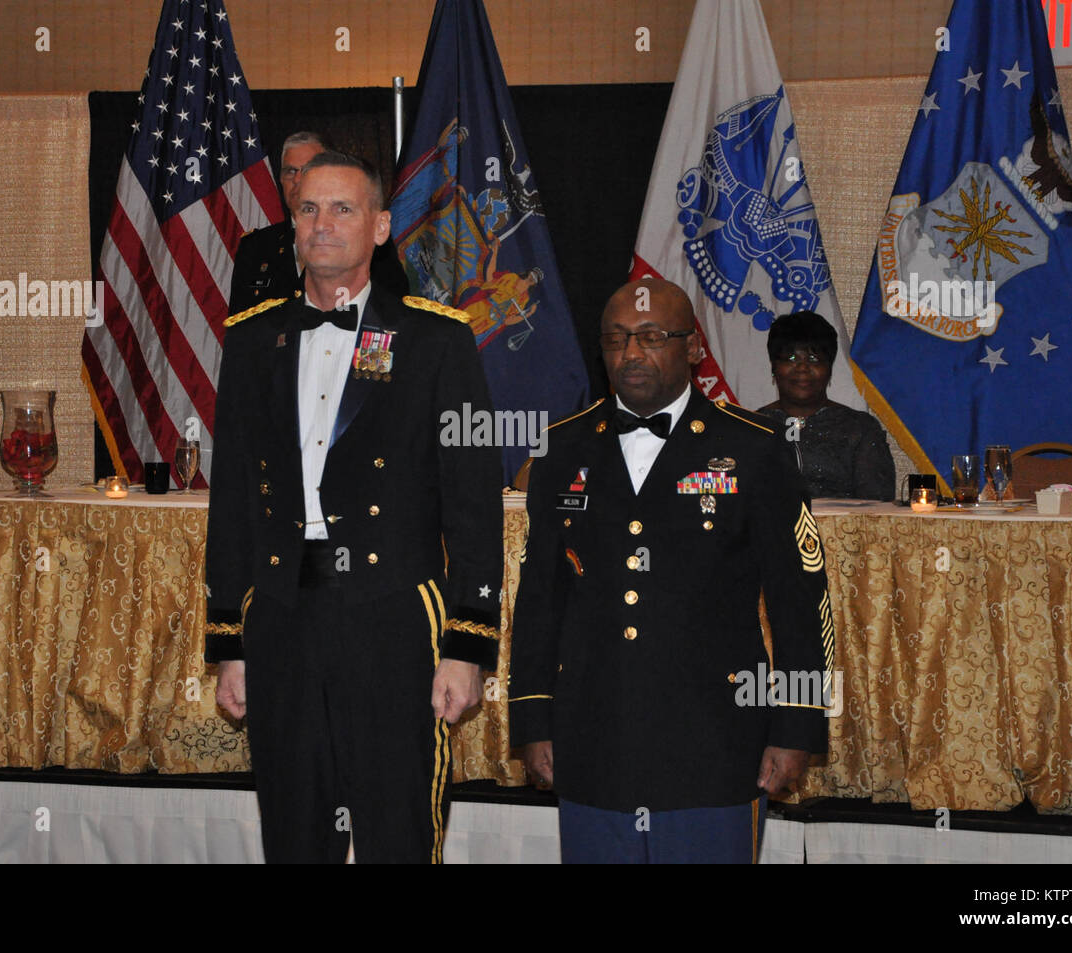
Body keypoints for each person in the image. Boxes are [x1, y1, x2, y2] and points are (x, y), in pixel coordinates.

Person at [205, 151, 504, 863]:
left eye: (343, 209)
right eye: (308, 208)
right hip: (281, 614)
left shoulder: (437, 340)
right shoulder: (251, 340)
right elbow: (234, 501)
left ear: (380, 226)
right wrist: (227, 643)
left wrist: (467, 645)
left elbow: (473, 505)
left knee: (397, 828)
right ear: (291, 226)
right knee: (294, 827)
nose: (323, 224)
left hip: (394, 615)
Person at [509, 278, 832, 864]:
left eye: (652, 337)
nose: (631, 354)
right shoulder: (561, 451)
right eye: (616, 339)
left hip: (714, 741)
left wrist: (796, 727)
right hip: (592, 738)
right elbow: (538, 602)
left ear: (692, 347)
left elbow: (799, 602)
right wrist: (533, 718)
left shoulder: (754, 450)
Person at [227, 131, 411, 313]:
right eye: (291, 171)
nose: (298, 180)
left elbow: (394, 314)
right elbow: (240, 331)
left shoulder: (363, 239)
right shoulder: (256, 246)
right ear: (281, 179)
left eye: (309, 168)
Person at [755, 310, 895, 500]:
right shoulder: (750, 427)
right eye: (791, 358)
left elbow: (877, 507)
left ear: (829, 369)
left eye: (814, 359)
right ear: (773, 367)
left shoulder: (860, 429)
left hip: (843, 529)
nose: (803, 368)